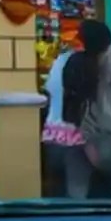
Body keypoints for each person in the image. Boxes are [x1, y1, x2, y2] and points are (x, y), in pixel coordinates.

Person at [62, 20, 111, 198]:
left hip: (78, 127)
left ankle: (77, 216)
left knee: (77, 183)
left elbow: (66, 90)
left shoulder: (72, 61)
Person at [41, 40, 92, 198]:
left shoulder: (59, 61)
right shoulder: (87, 64)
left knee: (55, 188)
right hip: (77, 136)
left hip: (52, 133)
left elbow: (49, 90)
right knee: (76, 191)